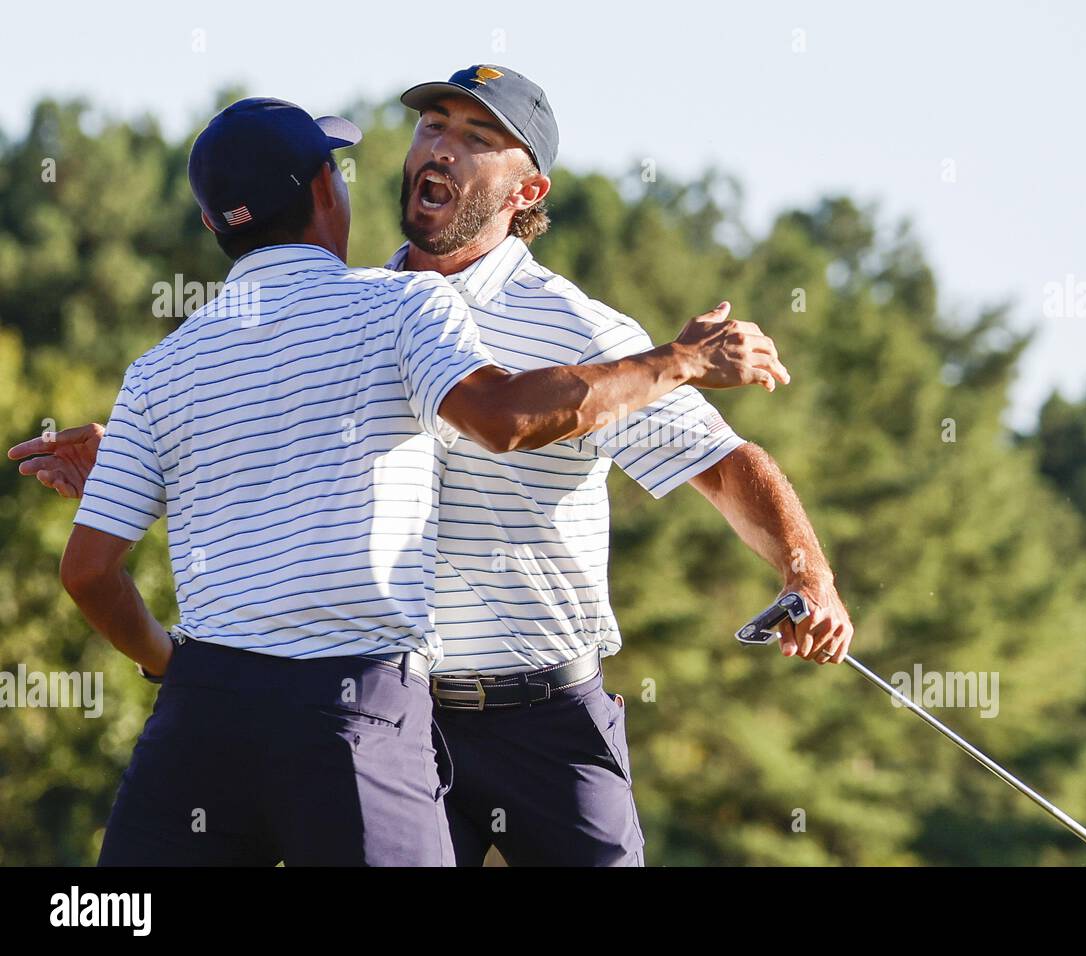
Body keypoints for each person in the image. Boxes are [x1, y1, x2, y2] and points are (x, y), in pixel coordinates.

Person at [18, 95, 786, 866]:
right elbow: (503, 419)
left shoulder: (161, 368)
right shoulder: (400, 305)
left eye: (473, 136)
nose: (440, 148)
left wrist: (169, 656)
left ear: (216, 224)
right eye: (434, 128)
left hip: (204, 715)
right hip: (356, 713)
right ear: (327, 190)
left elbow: (88, 571)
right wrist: (678, 360)